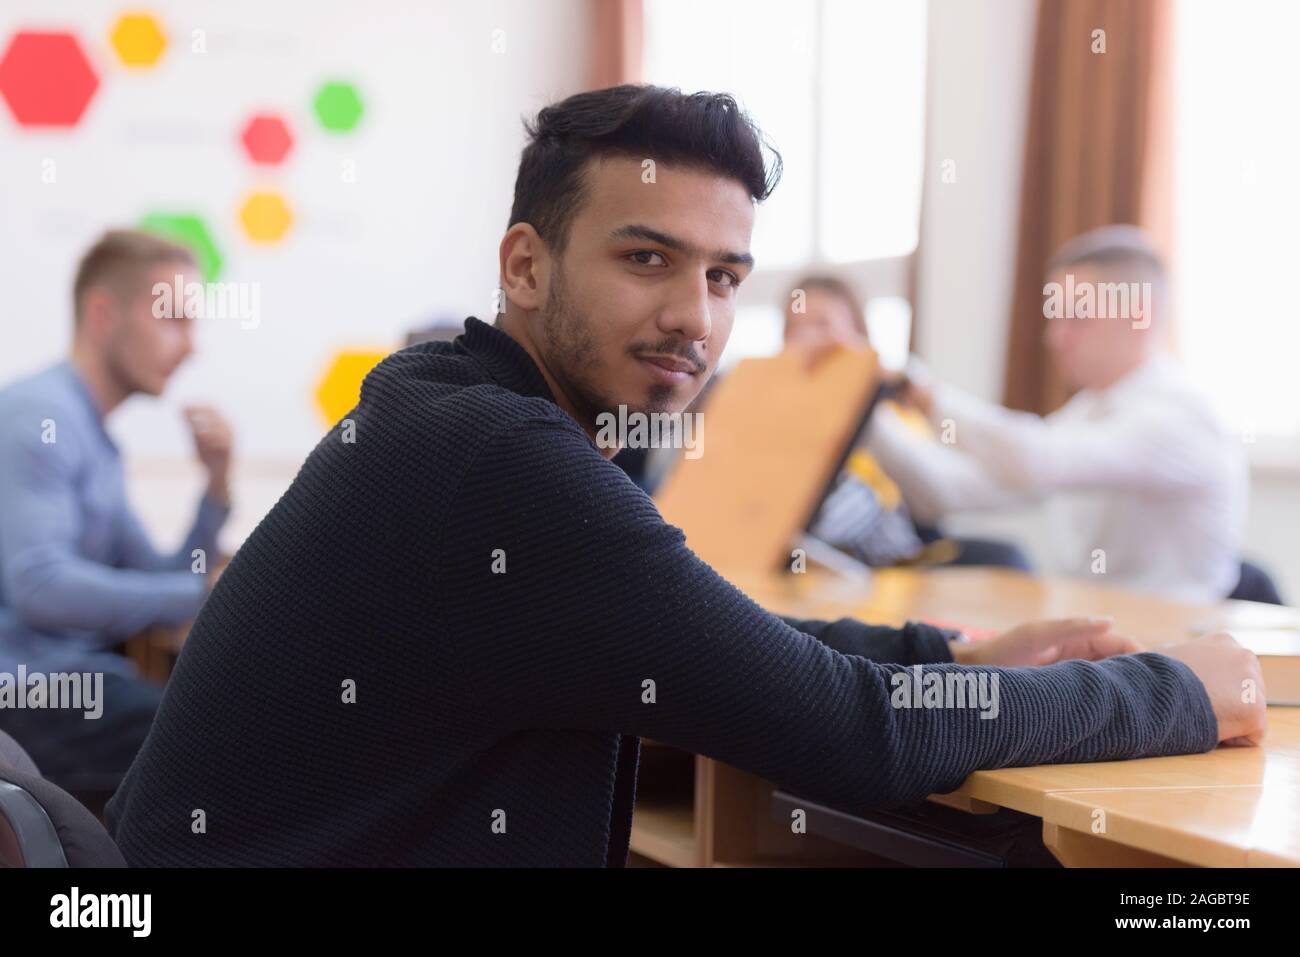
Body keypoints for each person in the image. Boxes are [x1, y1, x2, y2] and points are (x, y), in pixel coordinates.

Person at [107, 86, 1263, 867]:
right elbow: (844, 733)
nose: (690, 317)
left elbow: (707, 645)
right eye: (646, 259)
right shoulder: (498, 455)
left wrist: (949, 656)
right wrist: (1178, 692)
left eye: (723, 278)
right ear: (525, 262)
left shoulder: (456, 409)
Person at [868, 226, 1248, 603]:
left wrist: (927, 395)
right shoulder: (1087, 413)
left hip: (1168, 645)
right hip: (1108, 636)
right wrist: (864, 413)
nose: (1055, 338)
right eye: (1055, 317)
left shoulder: (1179, 418)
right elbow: (948, 491)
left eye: (1077, 318)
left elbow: (1035, 459)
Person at [0, 229, 234, 810]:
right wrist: (199, 592)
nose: (190, 346)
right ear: (104, 314)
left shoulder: (94, 439)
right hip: (26, 696)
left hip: (74, 685)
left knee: (210, 725)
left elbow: (160, 572)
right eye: (173, 319)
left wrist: (216, 484)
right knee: (216, 738)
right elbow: (40, 586)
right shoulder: (39, 417)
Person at [785, 274, 1032, 570]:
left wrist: (862, 402)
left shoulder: (895, 413)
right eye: (794, 327)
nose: (807, 339)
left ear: (859, 336)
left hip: (900, 553)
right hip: (818, 551)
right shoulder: (773, 417)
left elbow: (938, 492)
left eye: (822, 324)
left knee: (1006, 556)